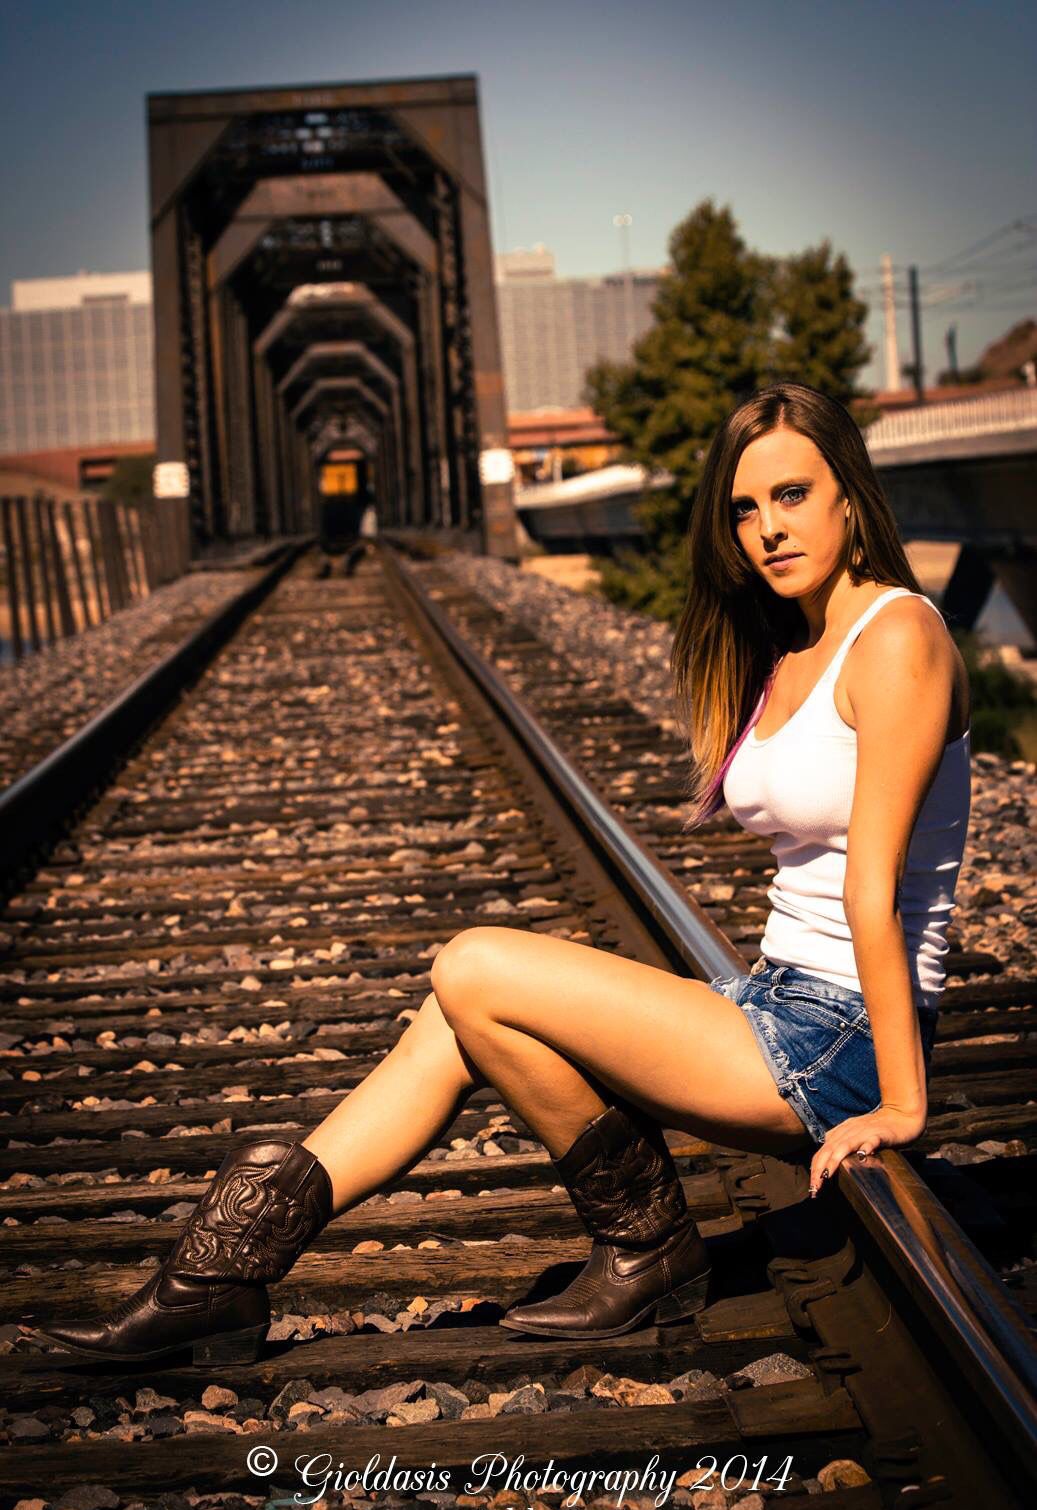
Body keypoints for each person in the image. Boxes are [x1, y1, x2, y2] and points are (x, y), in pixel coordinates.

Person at [38, 382, 971, 1365]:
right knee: (455, 1017)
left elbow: (873, 889)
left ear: (847, 496)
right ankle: (217, 1274)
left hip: (842, 1038)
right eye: (743, 508)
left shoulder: (898, 638)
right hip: (779, 1006)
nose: (766, 529)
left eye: (790, 495)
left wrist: (901, 1104)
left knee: (474, 965)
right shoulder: (798, 644)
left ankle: (644, 1246)